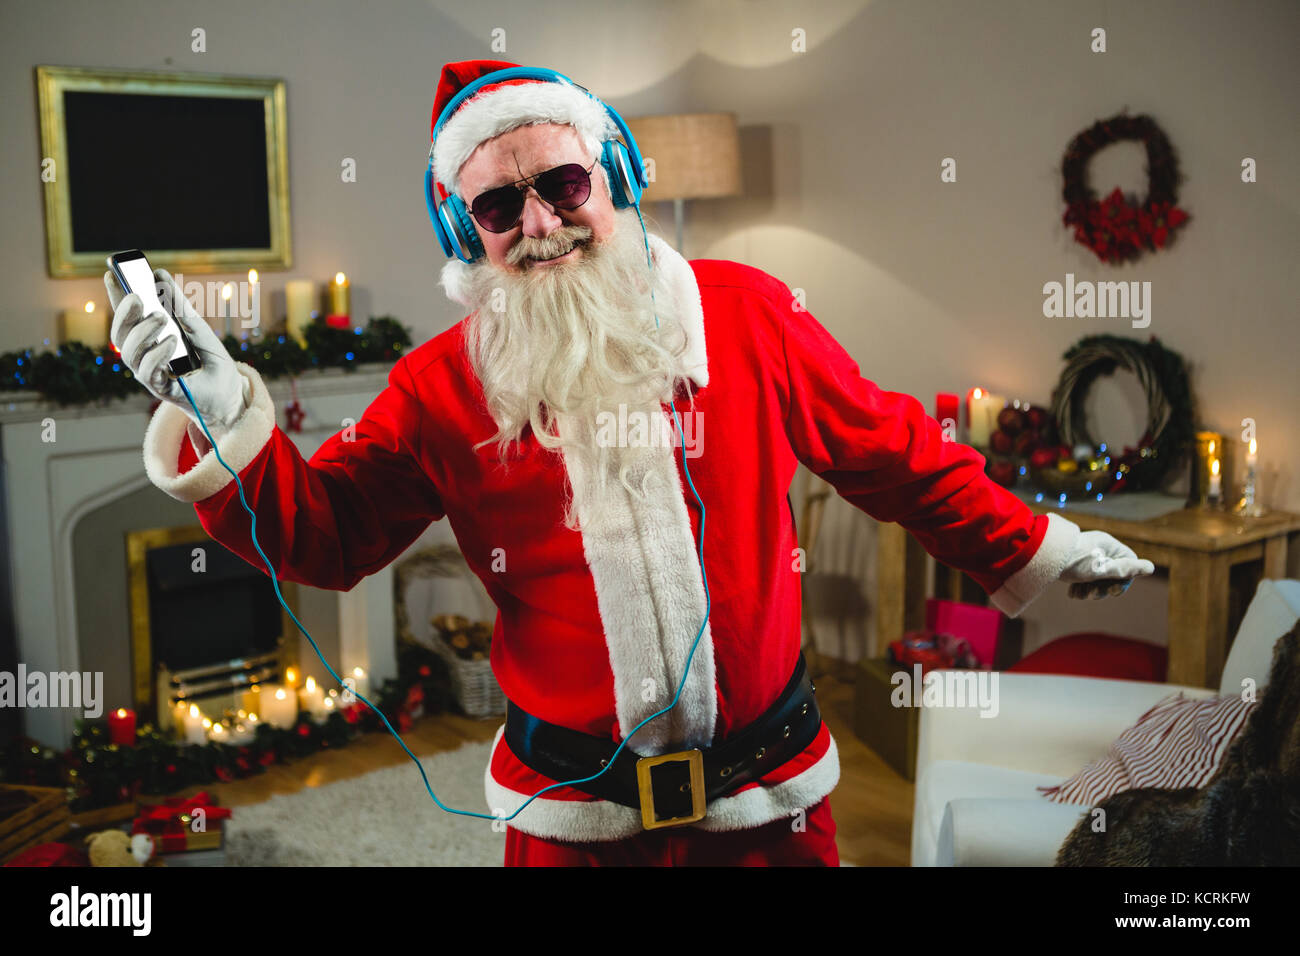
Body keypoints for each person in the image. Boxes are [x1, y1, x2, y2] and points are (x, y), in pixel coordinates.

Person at [108, 59, 1154, 867]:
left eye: (563, 183)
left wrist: (1039, 546)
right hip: (571, 820)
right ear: (461, 228)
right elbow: (324, 534)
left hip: (768, 801)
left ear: (614, 177)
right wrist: (220, 411)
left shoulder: (746, 314)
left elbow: (893, 453)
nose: (540, 222)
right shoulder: (439, 384)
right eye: (497, 206)